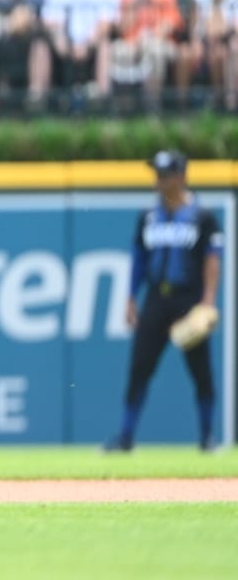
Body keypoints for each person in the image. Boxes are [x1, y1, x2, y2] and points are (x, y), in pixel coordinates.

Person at [104, 150, 221, 454]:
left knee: (201, 372)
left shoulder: (202, 215)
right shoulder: (148, 216)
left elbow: (212, 259)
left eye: (165, 174)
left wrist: (208, 300)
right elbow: (139, 259)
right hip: (156, 298)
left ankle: (207, 438)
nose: (159, 180)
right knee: (140, 368)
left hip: (188, 300)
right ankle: (125, 437)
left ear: (181, 176)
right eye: (157, 174)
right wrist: (130, 297)